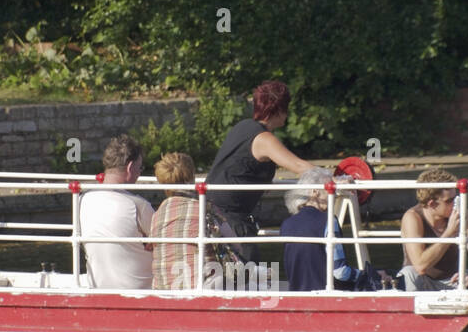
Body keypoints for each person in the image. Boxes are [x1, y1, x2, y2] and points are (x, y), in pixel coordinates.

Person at [207, 80, 314, 262]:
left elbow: (238, 167)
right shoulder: (264, 139)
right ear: (279, 109)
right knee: (249, 271)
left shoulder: (242, 127)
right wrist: (338, 177)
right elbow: (298, 167)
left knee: (238, 274)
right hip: (231, 218)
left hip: (210, 212)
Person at [396, 168, 468, 291]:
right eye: (449, 201)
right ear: (432, 204)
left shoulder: (461, 213)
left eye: (456, 198)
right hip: (423, 282)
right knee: (408, 273)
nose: (455, 204)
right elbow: (420, 266)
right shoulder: (412, 217)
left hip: (454, 281)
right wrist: (449, 233)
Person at [148, 152, 241, 290]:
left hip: (163, 288)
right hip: (201, 287)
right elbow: (235, 244)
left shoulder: (157, 214)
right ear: (191, 177)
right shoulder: (205, 208)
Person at [78, 135, 154, 289]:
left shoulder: (82, 200)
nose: (139, 174)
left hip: (98, 289)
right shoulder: (138, 205)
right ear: (130, 167)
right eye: (140, 168)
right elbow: (165, 243)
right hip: (140, 294)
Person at [280, 167, 353, 292]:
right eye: (330, 189)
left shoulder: (286, 224)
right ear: (315, 192)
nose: (334, 194)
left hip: (297, 294)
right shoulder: (329, 220)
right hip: (326, 295)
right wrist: (367, 274)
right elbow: (340, 272)